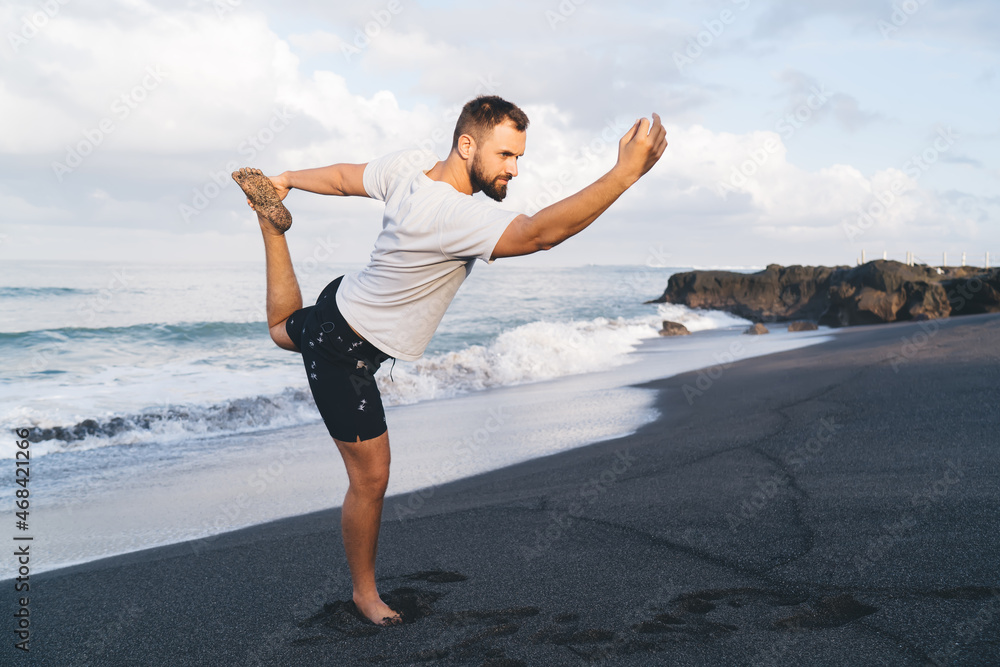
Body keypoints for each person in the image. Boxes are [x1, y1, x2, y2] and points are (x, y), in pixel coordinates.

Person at [232, 95, 667, 626]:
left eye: (519, 159)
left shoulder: (411, 166)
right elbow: (539, 234)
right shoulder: (457, 214)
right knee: (369, 478)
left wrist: (290, 178)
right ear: (467, 145)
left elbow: (347, 177)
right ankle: (363, 595)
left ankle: (272, 224)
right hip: (343, 348)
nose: (513, 169)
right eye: (506, 155)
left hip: (344, 300)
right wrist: (622, 175)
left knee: (285, 332)